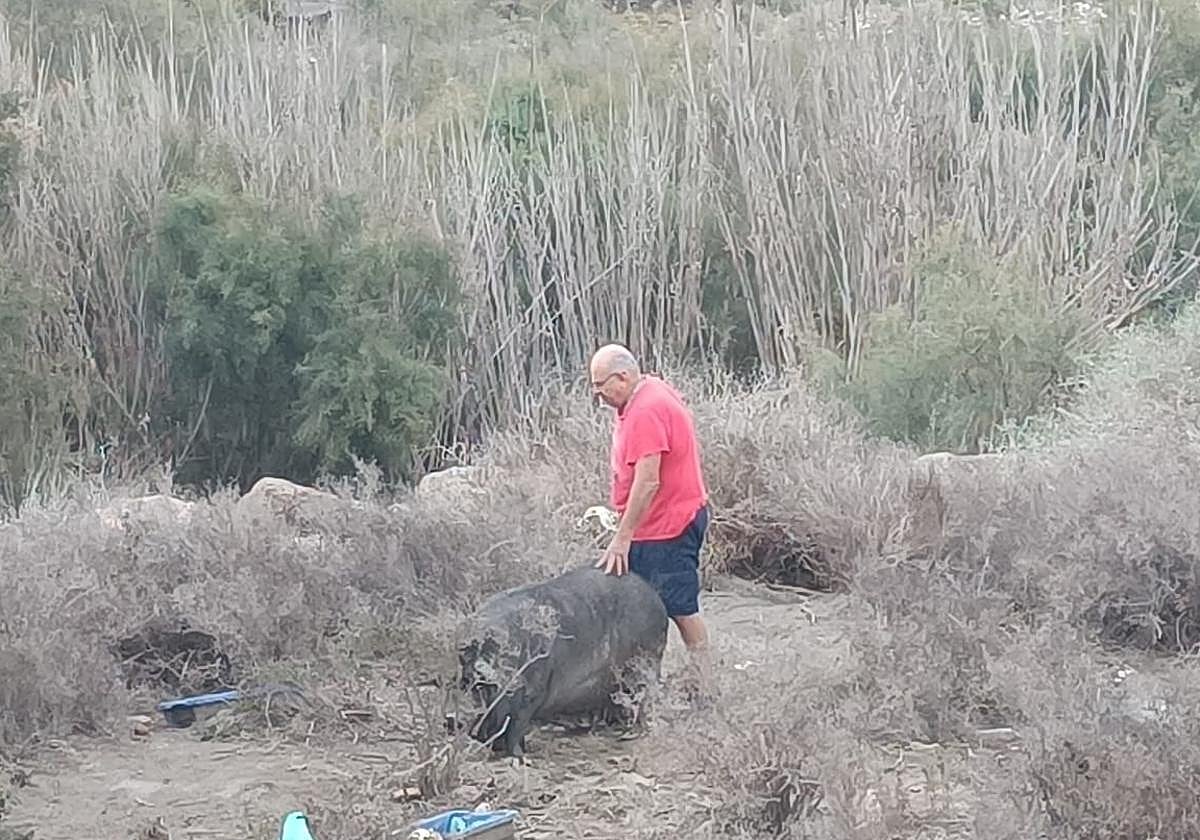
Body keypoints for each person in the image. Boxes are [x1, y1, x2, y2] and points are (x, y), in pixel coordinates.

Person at [588, 343, 713, 700]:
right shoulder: (648, 390)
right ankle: (635, 680)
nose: (597, 394)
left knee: (681, 608)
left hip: (669, 526)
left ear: (623, 377)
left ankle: (707, 685)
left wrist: (622, 537)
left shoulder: (645, 410)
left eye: (600, 385)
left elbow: (648, 482)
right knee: (644, 600)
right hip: (659, 521)